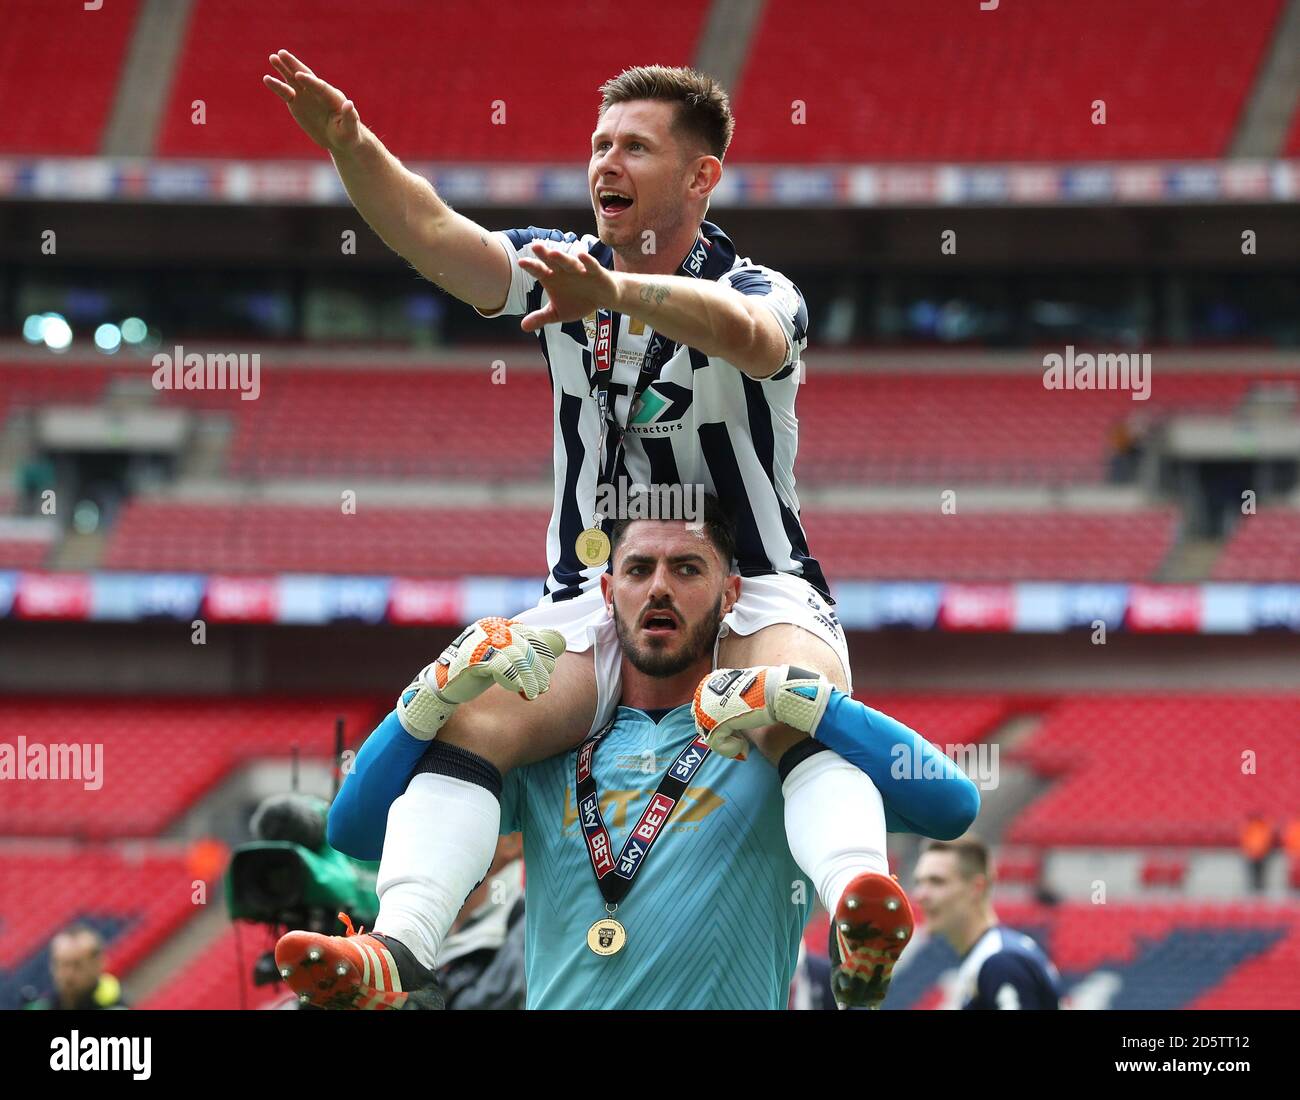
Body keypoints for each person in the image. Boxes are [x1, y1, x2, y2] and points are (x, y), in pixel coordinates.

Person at [263, 53, 959, 1003]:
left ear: (700, 176)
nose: (605, 163)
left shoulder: (762, 287)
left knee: (794, 693)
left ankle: (857, 919)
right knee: (472, 718)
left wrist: (621, 295)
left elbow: (748, 338)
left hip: (752, 579)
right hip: (595, 593)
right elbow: (432, 232)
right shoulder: (561, 268)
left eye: (634, 145)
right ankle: (401, 947)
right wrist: (352, 146)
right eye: (598, 144)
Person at [277, 501, 979, 1008]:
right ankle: (398, 948)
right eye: (639, 569)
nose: (660, 587)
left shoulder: (775, 747)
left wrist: (817, 705)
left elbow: (951, 806)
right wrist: (427, 698)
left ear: (732, 593)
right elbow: (355, 831)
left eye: (687, 567)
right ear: (607, 593)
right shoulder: (550, 749)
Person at [912, 837, 1062, 1010]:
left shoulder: (1002, 963)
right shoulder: (987, 958)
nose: (920, 895)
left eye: (937, 881)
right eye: (919, 883)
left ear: (976, 888)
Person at [24, 924, 127, 1010]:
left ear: (98, 964)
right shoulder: (46, 1005)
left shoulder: (113, 1006)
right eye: (62, 964)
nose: (68, 974)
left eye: (77, 965)